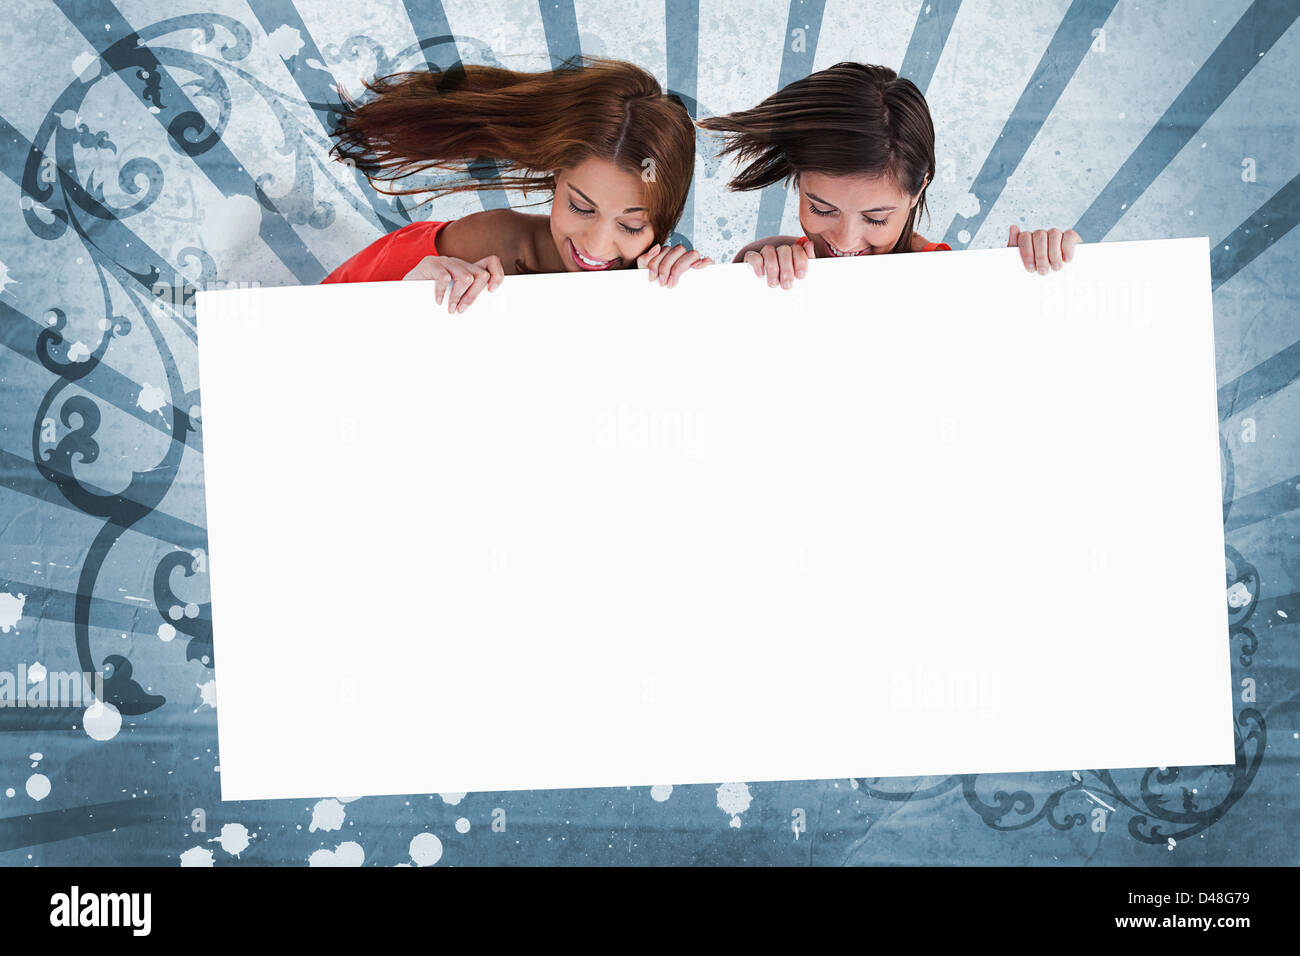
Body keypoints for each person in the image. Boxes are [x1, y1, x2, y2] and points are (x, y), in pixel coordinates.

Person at [323, 57, 711, 310]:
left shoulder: (668, 280)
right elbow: (315, 314)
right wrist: (402, 299)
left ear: (664, 220)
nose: (595, 246)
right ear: (557, 176)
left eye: (630, 225)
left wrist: (731, 283)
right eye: (581, 207)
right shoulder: (485, 242)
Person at [698, 62, 1081, 288]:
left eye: (875, 217)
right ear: (797, 179)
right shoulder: (769, 258)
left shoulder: (952, 281)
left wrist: (1034, 277)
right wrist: (746, 288)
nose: (845, 241)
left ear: (919, 189)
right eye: (821, 209)